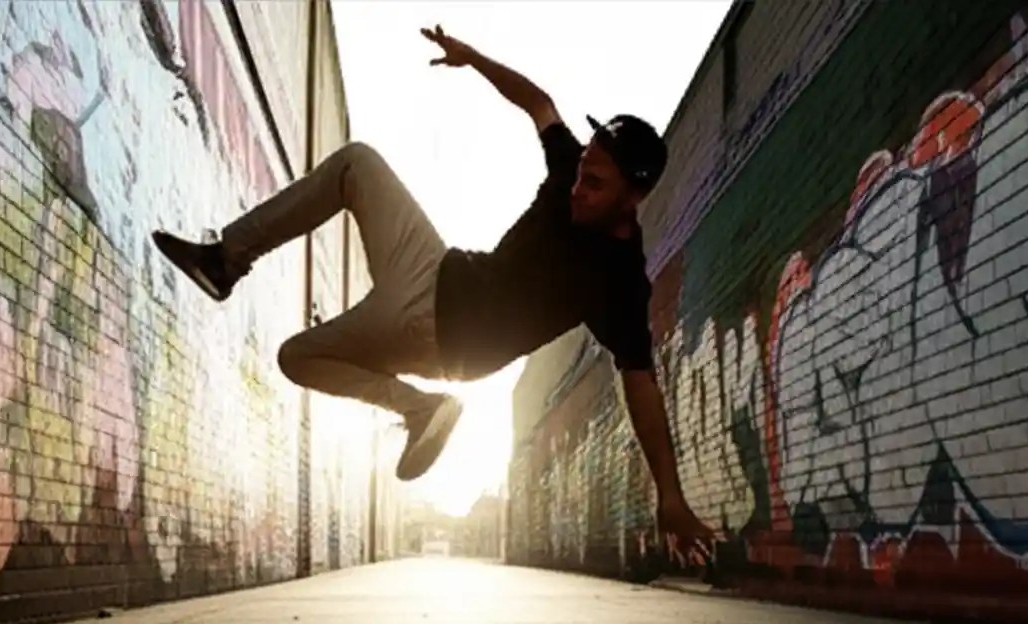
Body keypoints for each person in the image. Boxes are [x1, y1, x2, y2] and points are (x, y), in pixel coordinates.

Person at [152, 25, 714, 554]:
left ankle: (417, 404)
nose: (577, 189)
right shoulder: (572, 167)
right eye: (583, 169)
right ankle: (229, 265)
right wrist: (472, 59)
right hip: (434, 272)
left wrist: (669, 495)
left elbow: (642, 387)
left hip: (438, 329)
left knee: (308, 328)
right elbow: (539, 103)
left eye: (594, 185)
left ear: (632, 197)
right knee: (344, 201)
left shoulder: (620, 281)